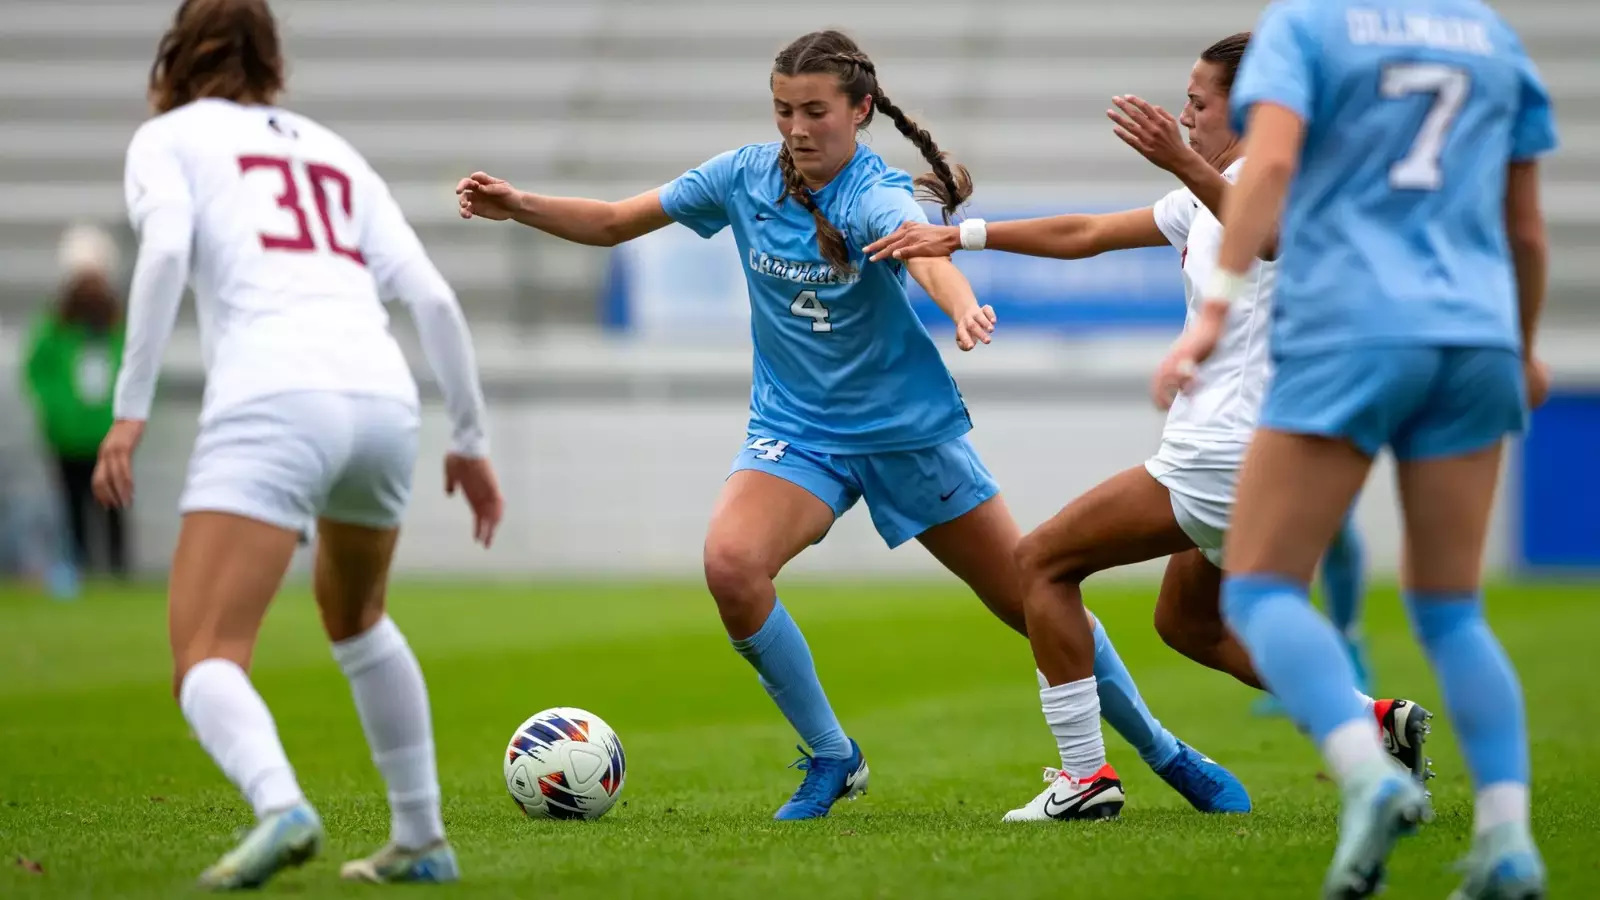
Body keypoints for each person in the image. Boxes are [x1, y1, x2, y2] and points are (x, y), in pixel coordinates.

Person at [458, 28, 1246, 822]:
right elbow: (615, 221)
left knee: (1031, 596)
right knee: (732, 566)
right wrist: (519, 204)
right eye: (783, 111)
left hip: (907, 437)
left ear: (860, 110)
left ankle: (1161, 749)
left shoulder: (874, 193)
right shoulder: (741, 175)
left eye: (815, 112)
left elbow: (925, 255)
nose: (796, 129)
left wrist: (962, 304)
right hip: (796, 435)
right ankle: (834, 756)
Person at [865, 32, 1434, 820]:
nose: (1184, 113)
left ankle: (1085, 779)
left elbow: (1268, 237)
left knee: (1041, 563)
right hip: (1250, 454)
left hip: (1229, 451)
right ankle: (1373, 722)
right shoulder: (1217, 186)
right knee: (1187, 622)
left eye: (1200, 102)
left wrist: (1181, 159)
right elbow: (1088, 234)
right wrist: (959, 235)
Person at [94, 0, 503, 888]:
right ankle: (421, 838)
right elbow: (431, 297)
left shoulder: (167, 139)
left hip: (275, 395)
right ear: (270, 57)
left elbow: (164, 254)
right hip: (382, 398)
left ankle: (281, 805)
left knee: (204, 656)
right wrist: (469, 439)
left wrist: (129, 411)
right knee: (357, 619)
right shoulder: (331, 149)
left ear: (176, 54)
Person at [1152, 2, 1555, 897]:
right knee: (1453, 611)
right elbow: (1526, 226)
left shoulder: (1307, 29)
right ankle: (1509, 842)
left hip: (1353, 327)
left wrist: (1212, 311)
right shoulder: (1494, 37)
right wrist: (1522, 345)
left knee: (1256, 589)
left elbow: (1274, 165)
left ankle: (1368, 775)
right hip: (1477, 333)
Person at [24, 224, 129, 579]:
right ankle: (81, 568)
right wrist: (56, 411)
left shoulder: (116, 326)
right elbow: (36, 372)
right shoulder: (55, 327)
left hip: (108, 434)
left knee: (114, 507)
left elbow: (139, 368)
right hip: (67, 437)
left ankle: (117, 572)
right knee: (74, 507)